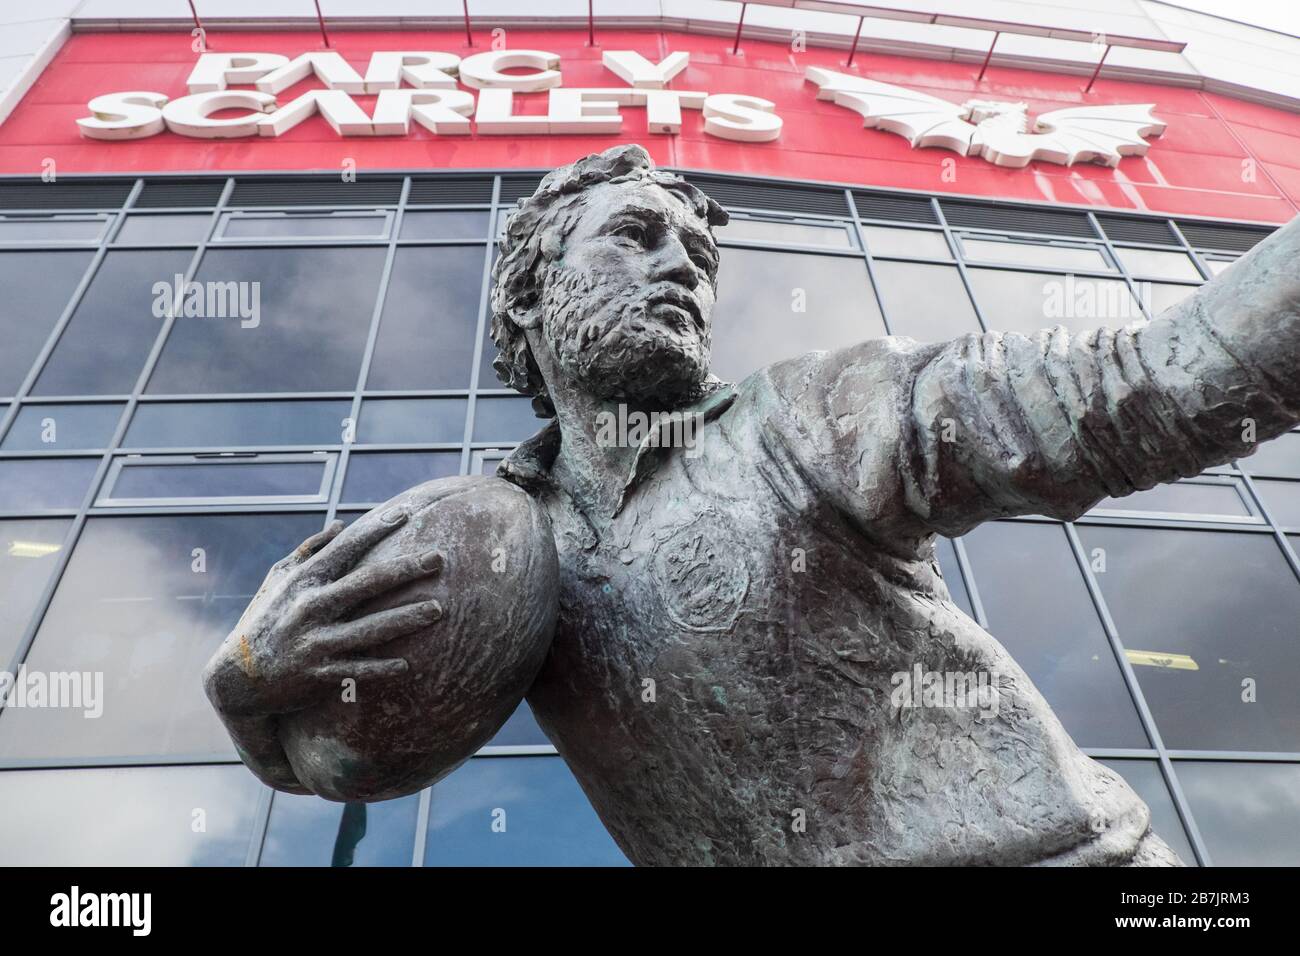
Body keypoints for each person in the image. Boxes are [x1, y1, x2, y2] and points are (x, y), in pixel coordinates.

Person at [206, 145, 1300, 865]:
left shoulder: (811, 414)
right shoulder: (494, 550)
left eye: (698, 253)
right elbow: (341, 759)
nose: (680, 266)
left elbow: (1146, 388)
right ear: (529, 293)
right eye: (632, 237)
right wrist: (256, 682)